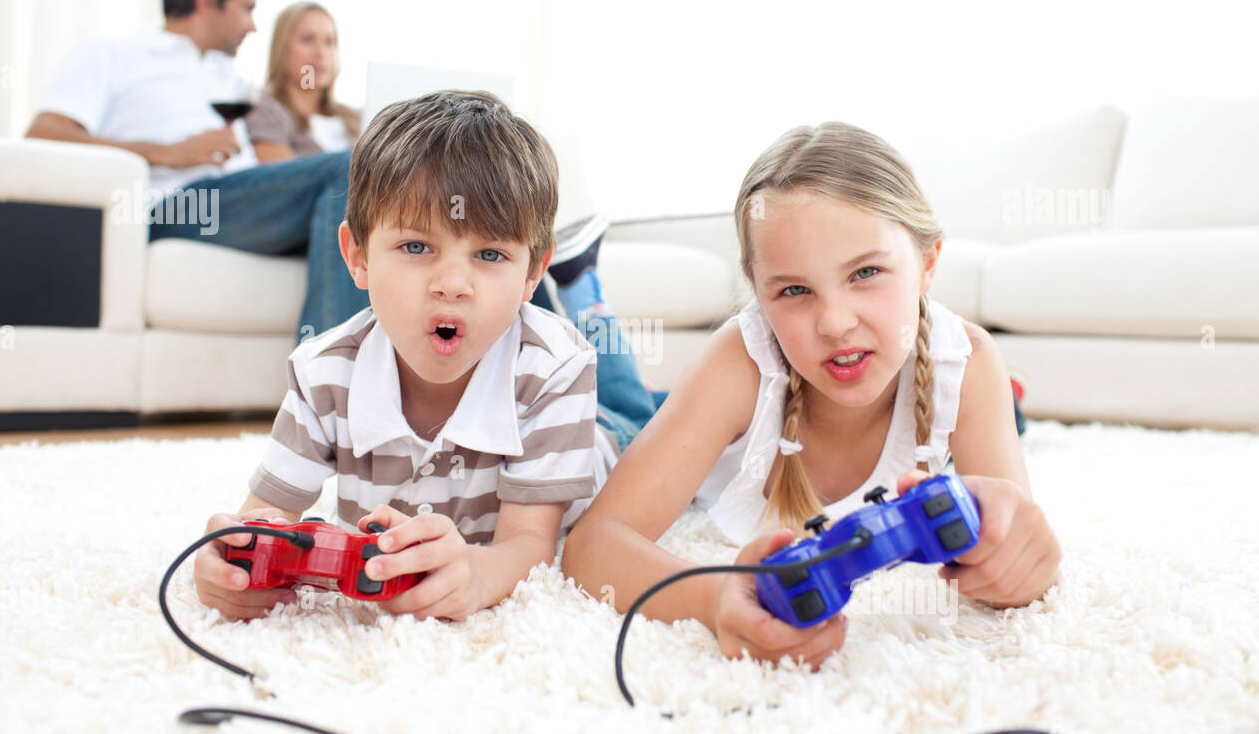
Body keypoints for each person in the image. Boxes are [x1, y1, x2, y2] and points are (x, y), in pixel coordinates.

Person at [562, 121, 1062, 668]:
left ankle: (1011, 400)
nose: (834, 323)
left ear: (928, 264)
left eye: (866, 272)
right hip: (692, 418)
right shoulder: (739, 361)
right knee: (621, 406)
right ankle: (579, 284)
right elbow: (592, 546)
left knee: (1003, 411)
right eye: (795, 290)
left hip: (902, 376)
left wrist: (1023, 564)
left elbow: (1018, 565)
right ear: (758, 293)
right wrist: (711, 596)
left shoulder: (965, 361)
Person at [192, 90, 657, 622]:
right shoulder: (323, 373)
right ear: (357, 257)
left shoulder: (558, 368)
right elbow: (260, 522)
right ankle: (566, 282)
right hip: (532, 381)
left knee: (641, 417)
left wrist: (479, 574)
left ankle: (580, 285)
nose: (452, 285)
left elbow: (529, 545)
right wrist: (230, 559)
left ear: (532, 273)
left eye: (489, 254)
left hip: (595, 431)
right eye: (416, 247)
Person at [26, 0, 367, 341]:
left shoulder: (233, 81)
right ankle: (324, 387)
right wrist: (167, 153)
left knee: (369, 204)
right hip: (176, 207)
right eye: (247, 7)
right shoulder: (115, 53)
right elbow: (43, 134)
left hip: (235, 205)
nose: (253, 25)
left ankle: (380, 383)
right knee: (353, 168)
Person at [245, 1, 361, 163]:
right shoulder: (266, 112)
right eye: (307, 40)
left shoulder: (357, 118)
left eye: (329, 42)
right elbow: (286, 181)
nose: (321, 52)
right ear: (281, 48)